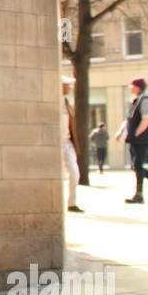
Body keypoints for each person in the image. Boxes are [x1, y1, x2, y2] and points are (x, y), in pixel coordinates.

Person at [60, 77, 84, 213]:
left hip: (67, 142)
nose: (68, 88)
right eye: (66, 85)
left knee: (74, 172)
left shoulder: (67, 103)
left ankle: (72, 203)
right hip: (55, 145)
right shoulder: (53, 102)